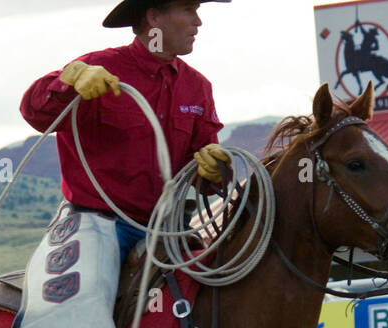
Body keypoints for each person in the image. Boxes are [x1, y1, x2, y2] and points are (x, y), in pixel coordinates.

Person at [18, 0, 230, 269]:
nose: (198, 22)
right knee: (72, 307)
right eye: (189, 10)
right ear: (153, 17)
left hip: (168, 228)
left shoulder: (197, 87)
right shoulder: (96, 68)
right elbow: (34, 112)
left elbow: (204, 170)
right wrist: (68, 83)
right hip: (96, 225)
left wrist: (214, 172)